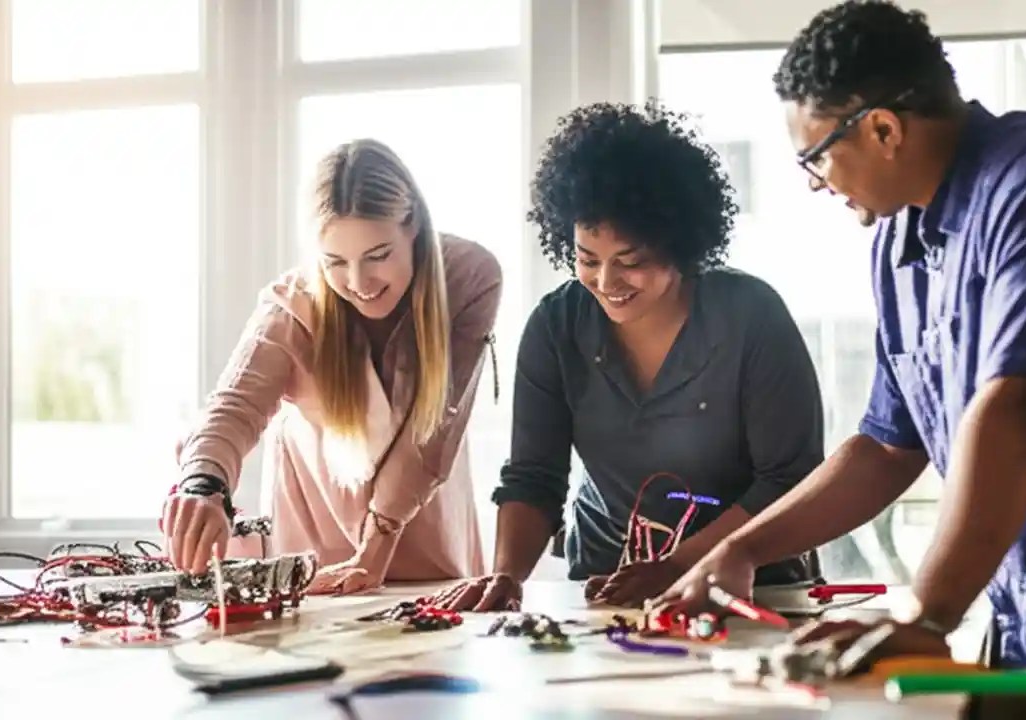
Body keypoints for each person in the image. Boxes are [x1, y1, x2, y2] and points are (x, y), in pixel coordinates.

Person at [656, 1, 1026, 716]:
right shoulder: (898, 247)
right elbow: (885, 447)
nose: (815, 183)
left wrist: (923, 617)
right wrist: (739, 550)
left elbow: (1020, 406)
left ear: (884, 129)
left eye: (815, 158)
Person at [431, 100, 825, 612]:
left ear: (680, 245)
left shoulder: (751, 315)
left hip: (755, 583)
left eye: (630, 262)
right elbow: (534, 477)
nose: (606, 282)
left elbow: (788, 479)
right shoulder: (555, 327)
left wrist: (681, 565)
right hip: (608, 581)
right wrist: (506, 574)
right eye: (587, 259)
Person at [162, 138, 501, 595]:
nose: (359, 284)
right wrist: (202, 486)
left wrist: (374, 552)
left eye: (379, 255)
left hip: (427, 537)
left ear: (414, 226)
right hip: (316, 549)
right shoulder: (291, 308)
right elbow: (233, 408)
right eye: (335, 262)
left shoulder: (468, 278)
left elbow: (436, 427)